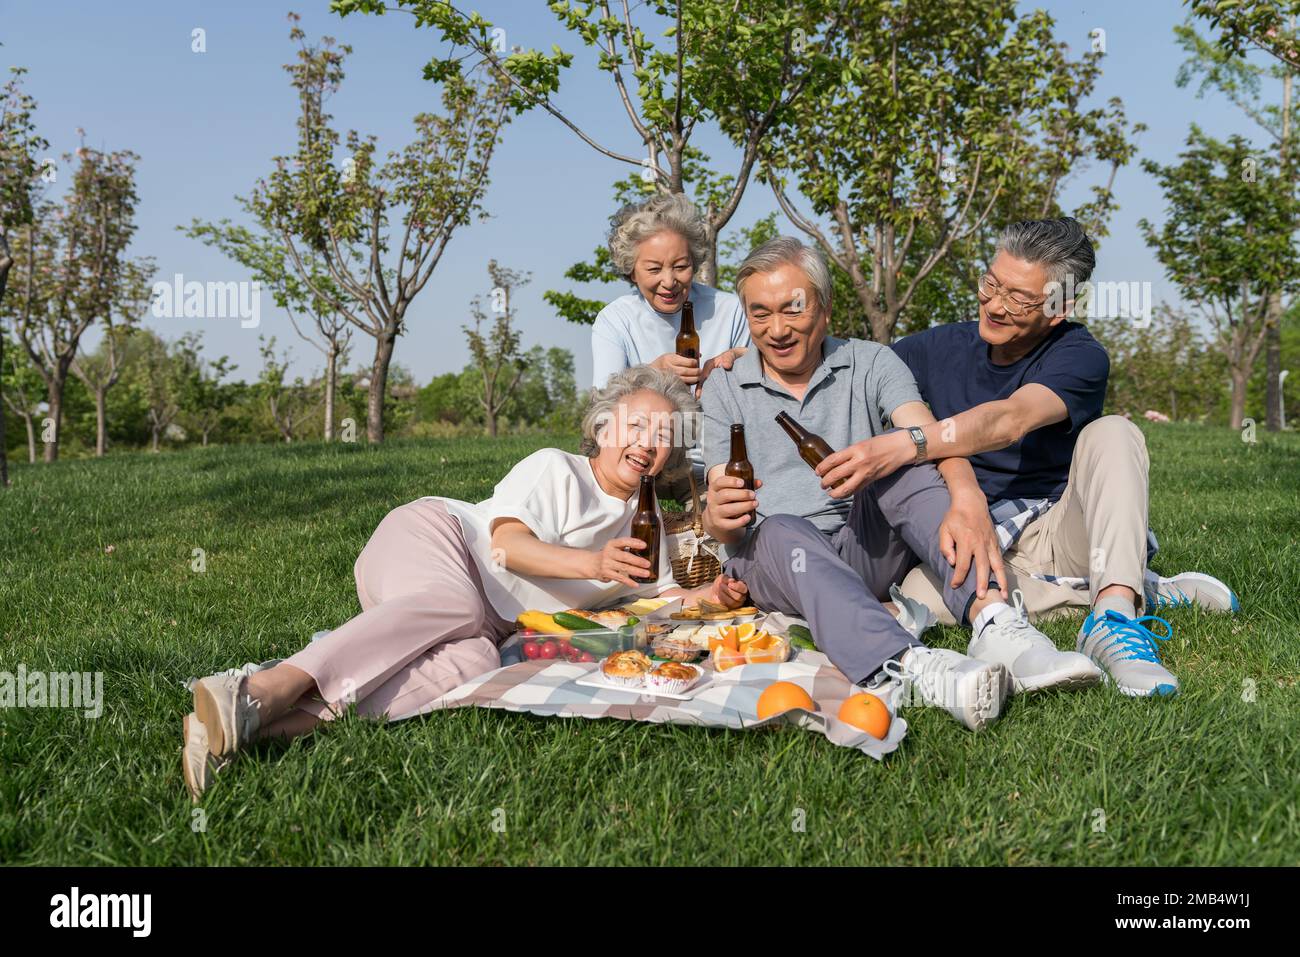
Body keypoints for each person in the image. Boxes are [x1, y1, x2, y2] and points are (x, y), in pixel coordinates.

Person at [182, 366, 750, 799]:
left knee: (477, 664)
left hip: (477, 620)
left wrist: (712, 596)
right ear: (602, 429)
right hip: (435, 541)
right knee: (454, 602)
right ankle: (264, 689)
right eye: (636, 425)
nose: (647, 442)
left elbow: (663, 598)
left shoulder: (643, 527)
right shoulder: (557, 469)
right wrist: (592, 565)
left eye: (662, 434)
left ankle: (255, 731)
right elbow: (506, 546)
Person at [700, 237, 1104, 733]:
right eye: (759, 314)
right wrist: (716, 520)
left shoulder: (872, 362)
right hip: (775, 557)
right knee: (783, 528)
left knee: (903, 458)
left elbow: (924, 433)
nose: (777, 329)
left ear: (824, 310)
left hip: (861, 549)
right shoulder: (722, 385)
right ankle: (909, 667)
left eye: (793, 310)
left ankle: (995, 621)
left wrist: (966, 495)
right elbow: (721, 506)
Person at [882, 217, 1238, 697]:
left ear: (1058, 308)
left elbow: (1009, 420)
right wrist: (743, 359)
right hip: (972, 534)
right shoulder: (929, 348)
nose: (994, 304)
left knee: (1115, 432)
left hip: (1058, 528)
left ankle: (1112, 617)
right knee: (920, 601)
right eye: (991, 284)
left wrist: (915, 441)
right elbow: (853, 368)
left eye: (1018, 298)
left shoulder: (1080, 355)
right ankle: (1132, 585)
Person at [591, 192, 750, 491]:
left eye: (680, 266)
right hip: (643, 462)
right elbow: (601, 413)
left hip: (718, 461)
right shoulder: (615, 320)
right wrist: (651, 375)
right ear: (631, 270)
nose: (669, 281)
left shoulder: (730, 310)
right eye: (653, 269)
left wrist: (743, 361)